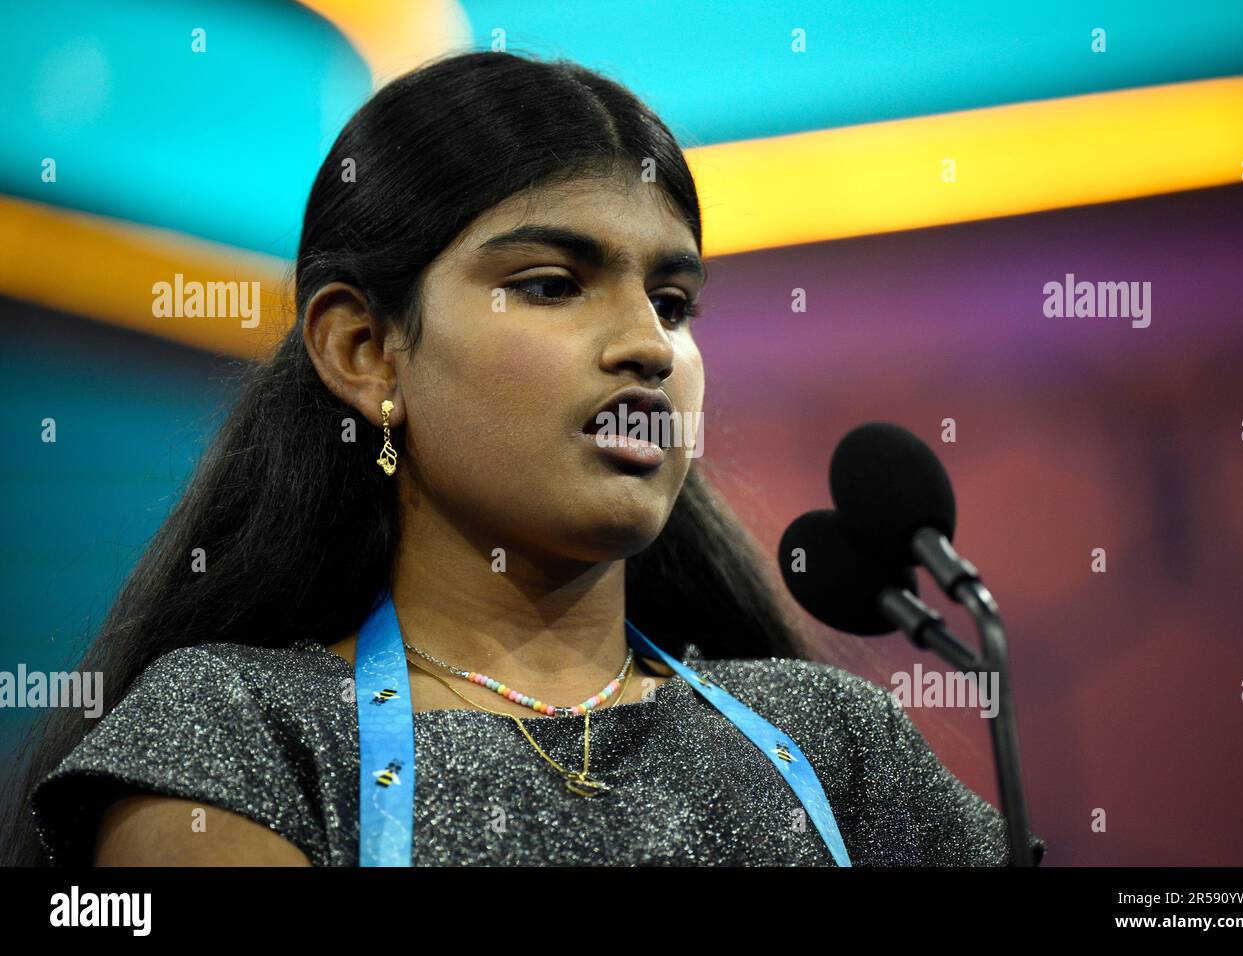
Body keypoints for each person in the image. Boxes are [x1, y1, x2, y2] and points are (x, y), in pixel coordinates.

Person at [0, 50, 1043, 867]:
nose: (648, 345)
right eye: (551, 284)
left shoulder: (835, 742)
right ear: (365, 350)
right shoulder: (240, 733)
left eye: (672, 302)